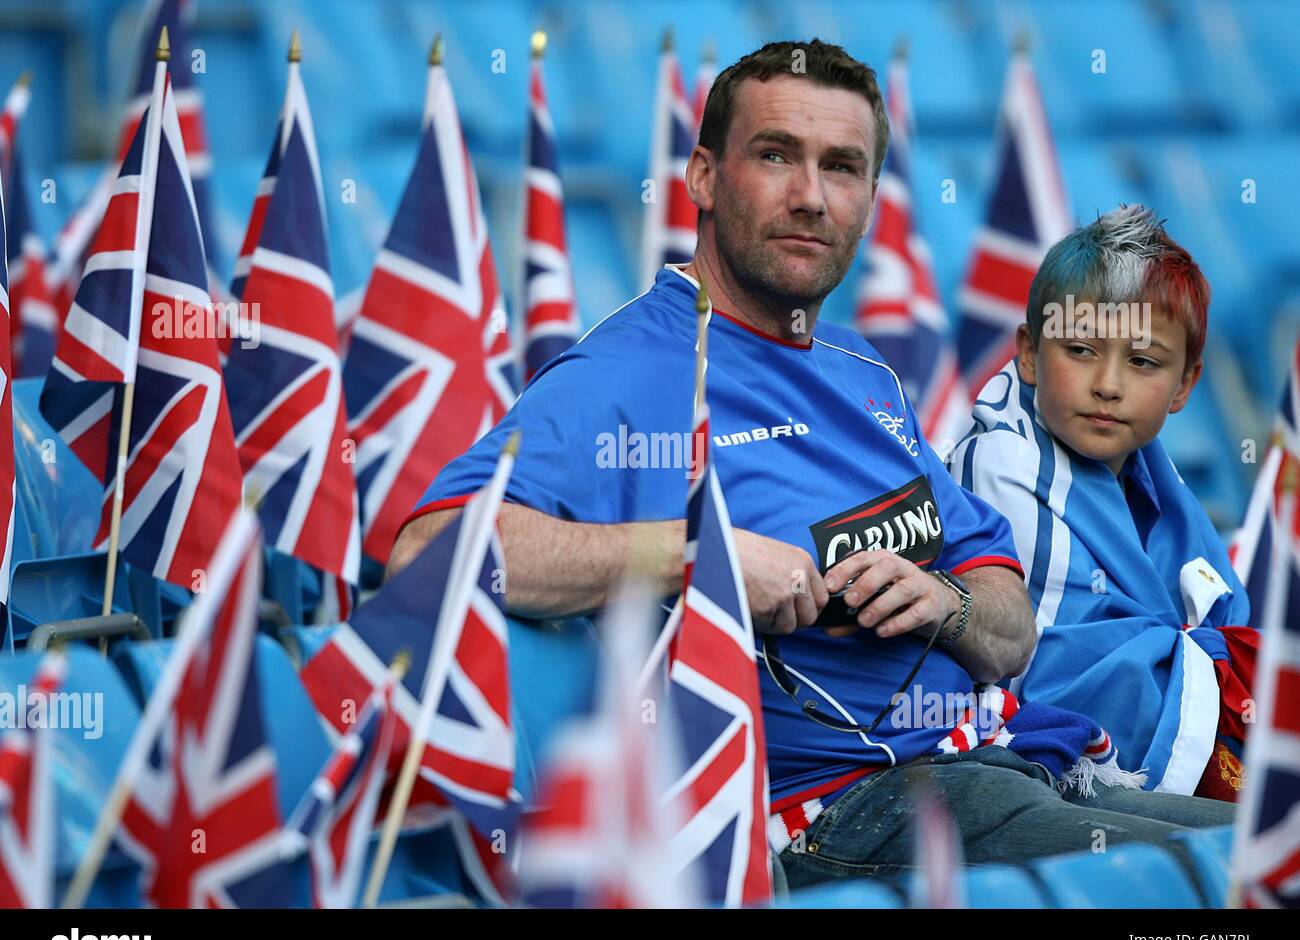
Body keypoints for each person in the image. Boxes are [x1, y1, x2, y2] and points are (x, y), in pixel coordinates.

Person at [391, 40, 1232, 891]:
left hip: (1005, 758)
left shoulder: (861, 369)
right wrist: (694, 559)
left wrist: (948, 604)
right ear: (703, 178)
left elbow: (1010, 628)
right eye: (775, 155)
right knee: (1215, 893)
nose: (810, 196)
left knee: (1262, 847)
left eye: (842, 167)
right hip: (842, 814)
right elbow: (430, 552)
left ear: (870, 198)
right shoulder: (628, 374)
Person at [949, 206, 1255, 803]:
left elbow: (1229, 624)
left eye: (1142, 361)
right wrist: (1212, 663)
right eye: (1082, 350)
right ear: (1031, 354)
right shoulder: (1003, 464)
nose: (1108, 384)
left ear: (1185, 386)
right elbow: (1047, 671)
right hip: (1027, 767)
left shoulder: (1159, 479)